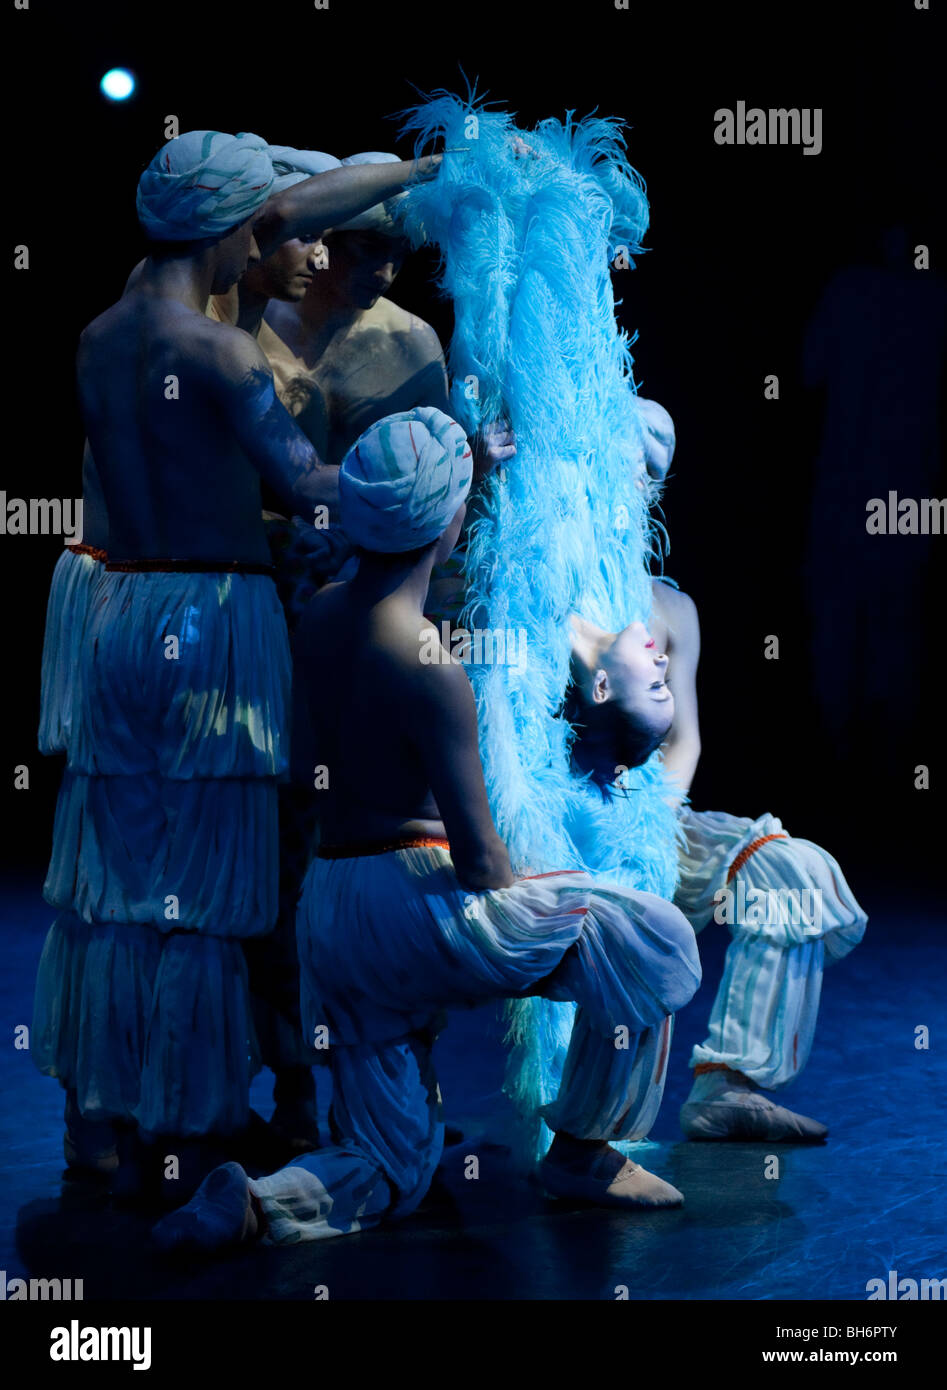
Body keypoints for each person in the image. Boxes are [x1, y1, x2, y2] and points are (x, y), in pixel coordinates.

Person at [152, 407, 703, 1251]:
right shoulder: (431, 666)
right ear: (449, 522)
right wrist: (557, 881)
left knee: (391, 1166)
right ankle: (584, 1152)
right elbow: (481, 862)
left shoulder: (322, 618)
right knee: (651, 937)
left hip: (331, 909)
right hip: (419, 907)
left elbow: (303, 770)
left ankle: (259, 1202)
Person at [32, 130, 442, 1187]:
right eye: (265, 223)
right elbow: (308, 481)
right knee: (202, 892)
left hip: (114, 603)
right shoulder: (217, 351)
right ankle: (184, 1121)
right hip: (210, 620)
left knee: (116, 881)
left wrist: (410, 176)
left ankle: (98, 1124)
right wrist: (436, 473)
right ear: (228, 228)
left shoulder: (102, 328)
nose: (287, 235)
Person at [566, 576, 868, 1141]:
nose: (645, 480)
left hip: (650, 812)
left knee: (789, 872)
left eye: (655, 475)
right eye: (633, 475)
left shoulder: (672, 608)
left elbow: (686, 740)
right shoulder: (551, 577)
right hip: (562, 818)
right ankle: (584, 1139)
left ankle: (728, 1085)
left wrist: (646, 829)